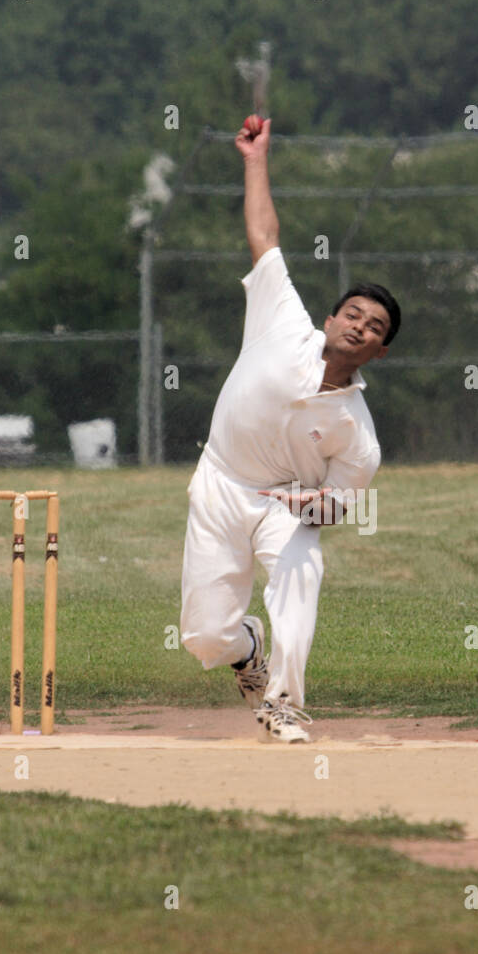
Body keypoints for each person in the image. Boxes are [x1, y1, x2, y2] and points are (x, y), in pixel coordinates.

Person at [180, 117, 401, 742]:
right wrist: (255, 158)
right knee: (203, 637)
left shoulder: (359, 434)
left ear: (379, 351)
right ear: (330, 319)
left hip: (285, 506)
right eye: (353, 314)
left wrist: (318, 507)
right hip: (221, 484)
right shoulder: (281, 319)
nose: (359, 326)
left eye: (375, 327)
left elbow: (342, 506)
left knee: (302, 574)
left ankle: (281, 702)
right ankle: (245, 647)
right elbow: (265, 235)